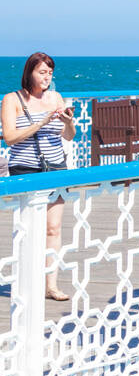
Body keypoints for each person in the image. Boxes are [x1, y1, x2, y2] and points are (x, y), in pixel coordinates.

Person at [1, 52, 76, 300]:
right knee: (28, 228)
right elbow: (10, 137)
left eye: (50, 73)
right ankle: (26, 281)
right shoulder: (13, 99)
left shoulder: (56, 97)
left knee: (53, 228)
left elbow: (68, 136)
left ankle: (51, 285)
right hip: (26, 171)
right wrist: (41, 122)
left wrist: (68, 122)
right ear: (29, 73)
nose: (46, 78)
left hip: (55, 168)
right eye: (42, 72)